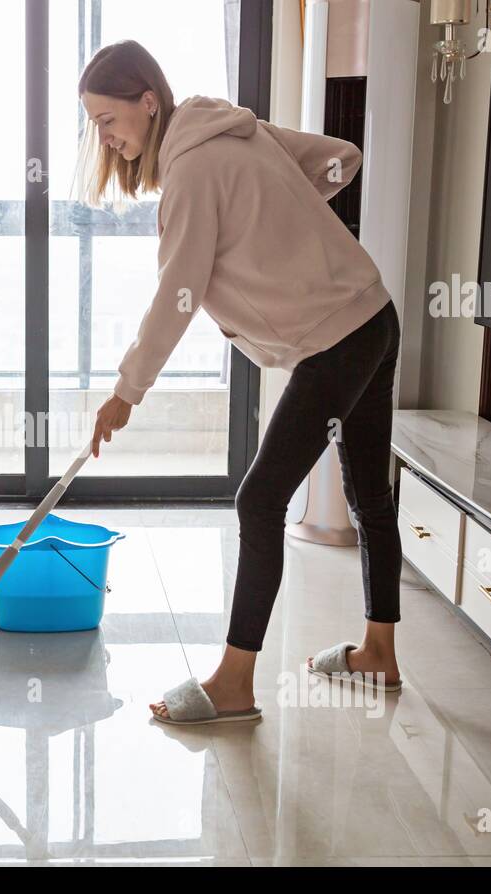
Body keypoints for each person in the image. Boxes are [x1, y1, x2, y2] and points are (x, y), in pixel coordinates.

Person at [77, 40, 403, 726]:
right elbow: (342, 156)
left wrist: (126, 391)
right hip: (374, 315)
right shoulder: (232, 125)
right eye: (94, 124)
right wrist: (283, 216)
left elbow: (178, 294)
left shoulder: (192, 171)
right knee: (370, 494)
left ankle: (235, 682)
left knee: (259, 502)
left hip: (337, 340)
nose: (102, 135)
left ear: (147, 101)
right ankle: (378, 651)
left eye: (107, 119)